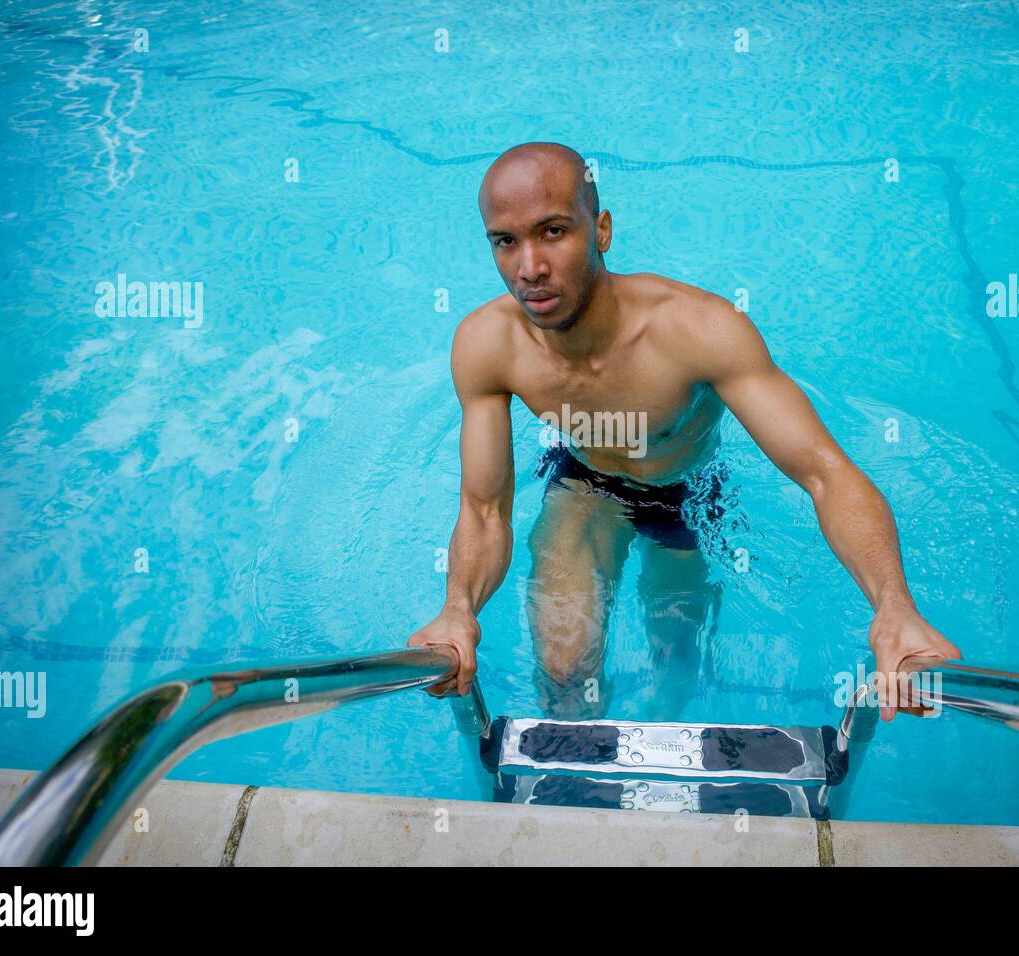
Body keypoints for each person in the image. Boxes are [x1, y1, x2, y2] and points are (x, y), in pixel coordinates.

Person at [407, 141, 961, 722]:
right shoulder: (486, 344)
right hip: (585, 486)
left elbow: (826, 472)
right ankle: (576, 795)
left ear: (600, 231)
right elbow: (483, 510)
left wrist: (893, 606)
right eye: (506, 241)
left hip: (689, 493)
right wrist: (458, 609)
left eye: (552, 232)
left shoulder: (699, 330)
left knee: (676, 663)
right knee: (564, 674)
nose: (530, 269)